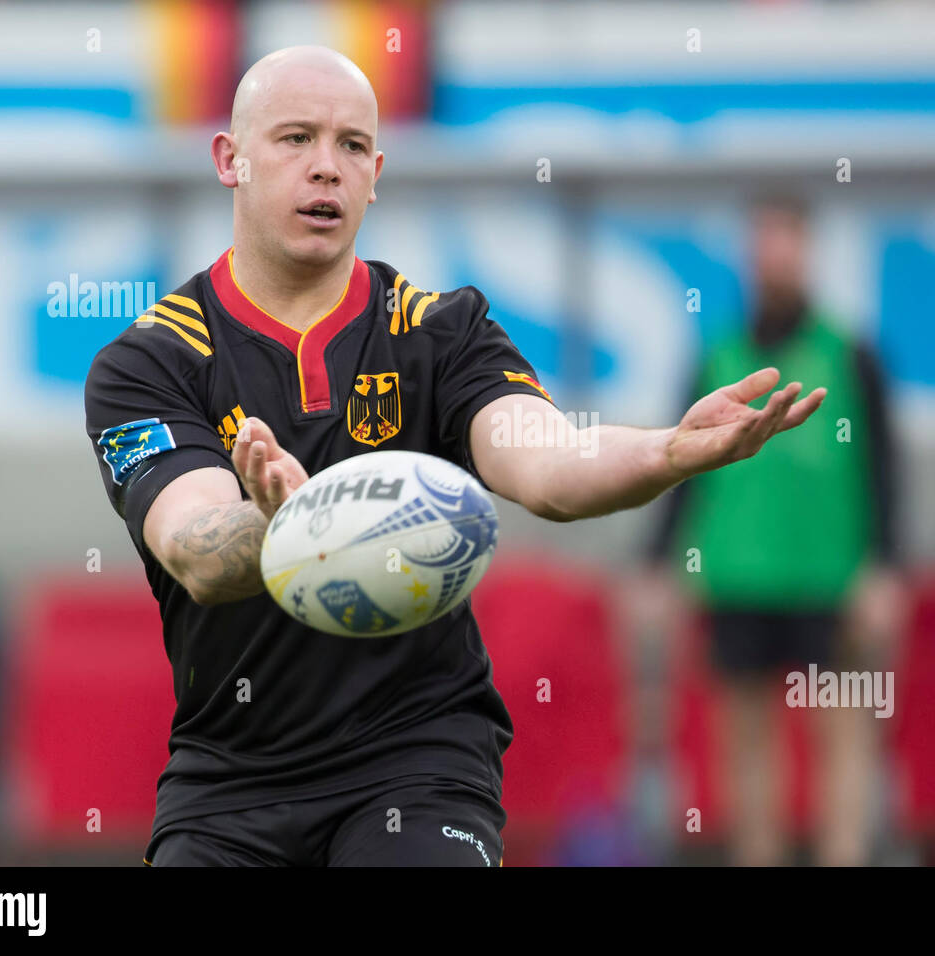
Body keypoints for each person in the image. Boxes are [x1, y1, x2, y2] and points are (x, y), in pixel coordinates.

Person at [83, 46, 827, 867]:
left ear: (377, 173)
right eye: (295, 138)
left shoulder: (439, 330)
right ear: (231, 159)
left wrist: (667, 450)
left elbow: (548, 464)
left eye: (352, 145)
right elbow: (195, 550)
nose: (326, 168)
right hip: (231, 779)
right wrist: (289, 527)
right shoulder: (148, 361)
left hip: (417, 762)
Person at [650, 199, 904, 866]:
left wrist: (884, 567)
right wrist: (657, 564)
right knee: (747, 740)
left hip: (830, 576)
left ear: (808, 249)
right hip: (737, 573)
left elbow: (883, 464)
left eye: (788, 238)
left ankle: (842, 855)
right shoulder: (718, 355)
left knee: (840, 736)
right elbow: (680, 465)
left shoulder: (850, 353)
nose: (775, 255)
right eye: (763, 240)